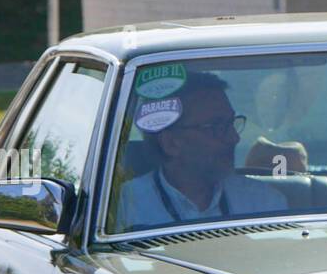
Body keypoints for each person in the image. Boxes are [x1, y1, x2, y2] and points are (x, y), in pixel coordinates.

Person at [115, 72, 286, 231]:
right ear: (171, 143)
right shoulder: (124, 207)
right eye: (217, 127)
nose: (234, 138)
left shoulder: (263, 203)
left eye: (231, 123)